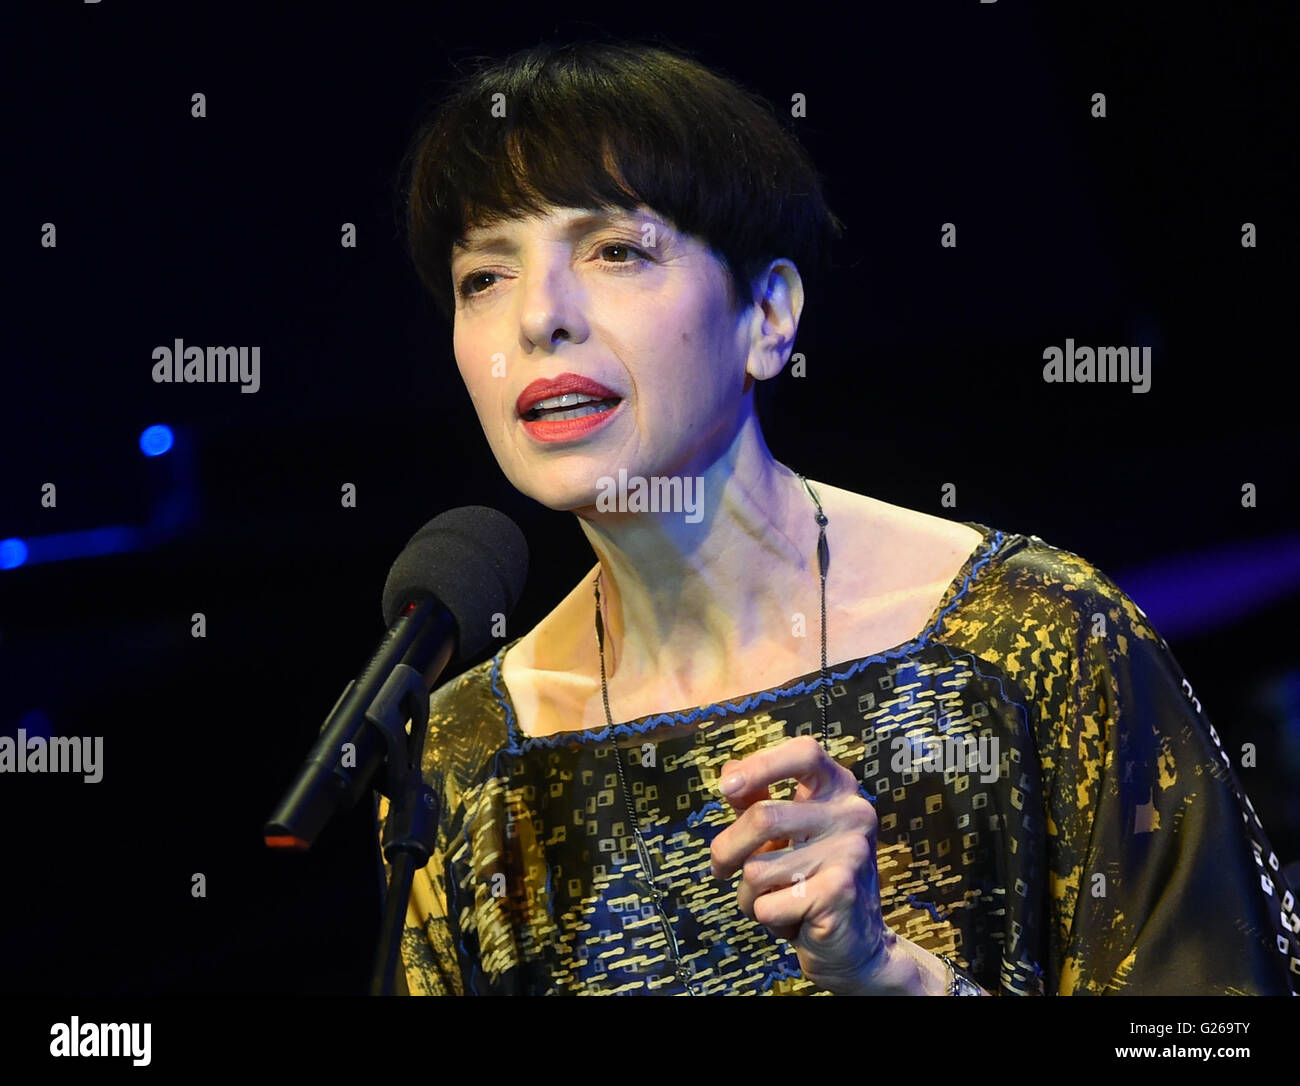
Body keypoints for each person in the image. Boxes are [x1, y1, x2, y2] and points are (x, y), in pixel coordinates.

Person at [375, 38, 1300, 996]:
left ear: (769, 316)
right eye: (484, 276)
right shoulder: (466, 756)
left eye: (615, 251)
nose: (540, 318)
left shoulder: (1031, 638)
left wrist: (889, 978)